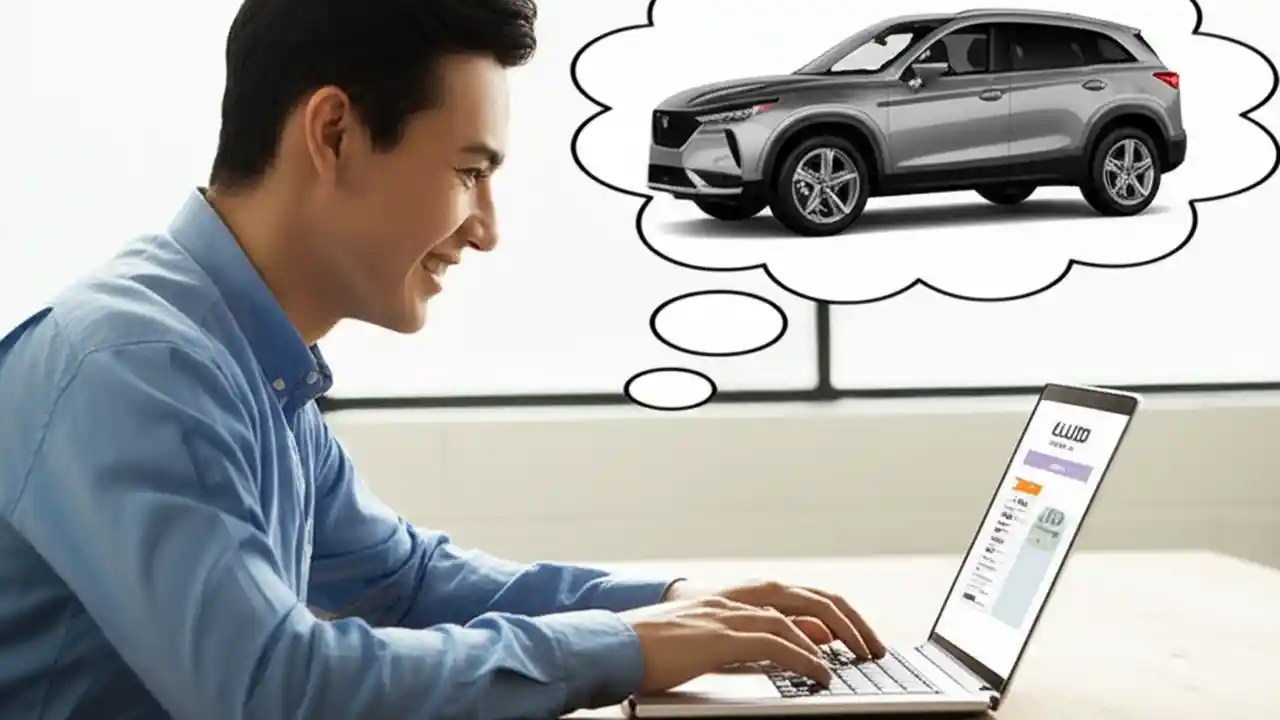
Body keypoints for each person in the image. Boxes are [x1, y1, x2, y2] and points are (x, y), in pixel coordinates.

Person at [0, 1, 885, 717]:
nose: (488, 229)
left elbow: (405, 580)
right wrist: (630, 647)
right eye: (470, 172)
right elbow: (274, 688)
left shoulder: (242, 357)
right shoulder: (134, 364)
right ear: (336, 134)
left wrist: (679, 602)